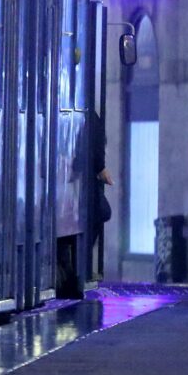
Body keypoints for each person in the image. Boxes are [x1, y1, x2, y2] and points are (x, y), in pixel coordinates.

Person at [85, 107, 114, 276]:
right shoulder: (91, 115)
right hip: (89, 178)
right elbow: (97, 140)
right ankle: (87, 266)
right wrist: (101, 167)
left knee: (100, 212)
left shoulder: (90, 114)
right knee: (101, 212)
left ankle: (87, 265)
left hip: (88, 176)